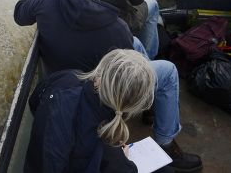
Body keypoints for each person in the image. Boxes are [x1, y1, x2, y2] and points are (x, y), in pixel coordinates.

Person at [15, 0, 202, 172]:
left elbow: (20, 13)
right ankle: (165, 142)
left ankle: (149, 100)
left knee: (136, 46)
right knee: (168, 71)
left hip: (67, 80)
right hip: (105, 90)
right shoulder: (116, 28)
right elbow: (125, 78)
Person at [25, 49, 156, 173]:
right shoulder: (111, 147)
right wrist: (125, 160)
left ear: (101, 71)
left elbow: (34, 102)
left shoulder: (67, 77)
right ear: (134, 105)